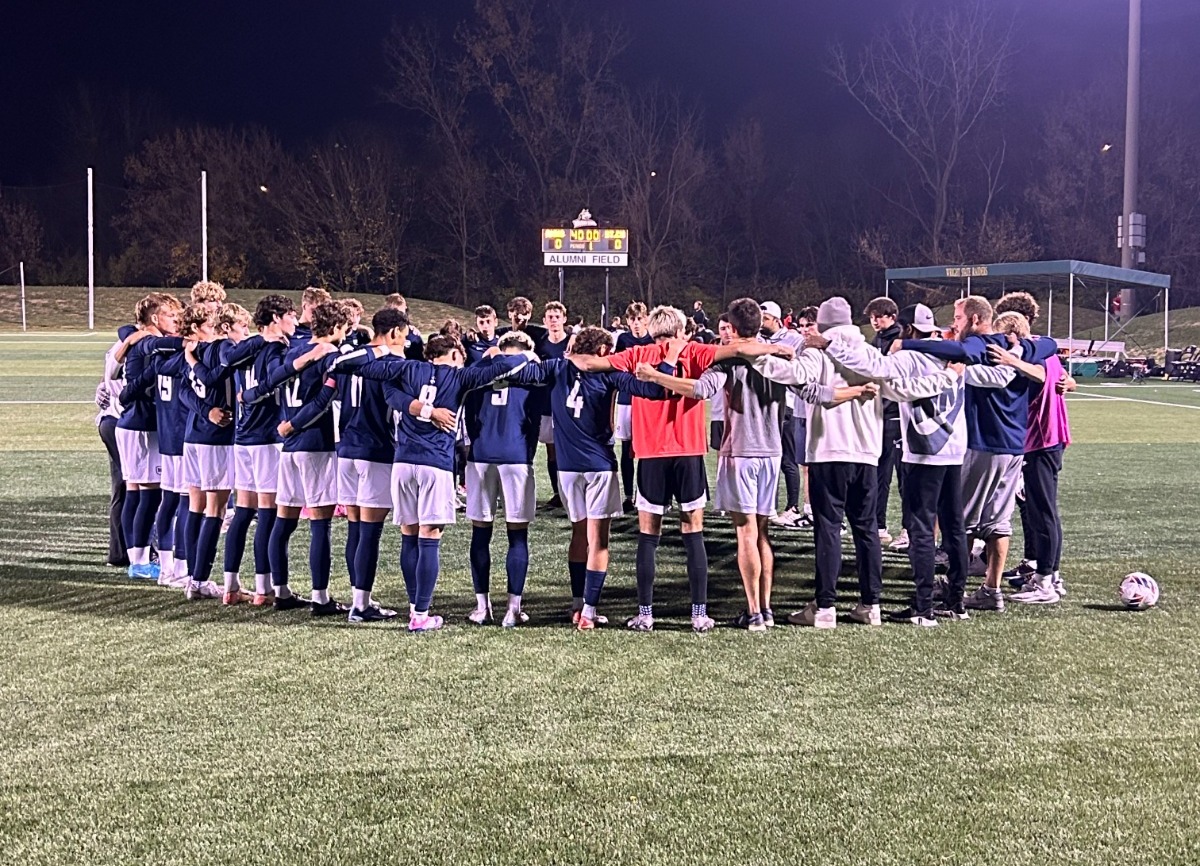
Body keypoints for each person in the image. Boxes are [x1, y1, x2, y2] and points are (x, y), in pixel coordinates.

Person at [571, 305, 777, 632]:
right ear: (681, 330)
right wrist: (775, 346)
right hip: (690, 451)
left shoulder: (638, 353)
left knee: (648, 535)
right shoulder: (694, 350)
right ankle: (699, 615)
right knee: (692, 532)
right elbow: (739, 347)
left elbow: (594, 363)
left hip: (651, 452)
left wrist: (568, 357)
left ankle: (646, 614)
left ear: (652, 329)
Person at [348, 334, 535, 631]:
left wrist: (414, 403)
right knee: (429, 537)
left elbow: (364, 372)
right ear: (455, 355)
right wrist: (516, 355)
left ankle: (414, 608)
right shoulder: (460, 376)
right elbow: (503, 368)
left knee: (409, 536)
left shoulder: (407, 368)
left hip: (403, 462)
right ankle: (421, 615)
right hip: (434, 464)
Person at [896, 296, 1059, 612]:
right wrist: (1021, 353)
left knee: (962, 523)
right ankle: (991, 589)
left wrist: (909, 347)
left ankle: (953, 591)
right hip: (1014, 446)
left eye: (957, 317)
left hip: (986, 444)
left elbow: (963, 360)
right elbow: (1048, 346)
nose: (953, 323)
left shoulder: (983, 356)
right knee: (999, 523)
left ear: (974, 320)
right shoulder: (1025, 353)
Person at [814, 303, 972, 625]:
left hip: (923, 451)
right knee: (954, 527)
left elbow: (876, 369)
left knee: (921, 529)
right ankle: (957, 602)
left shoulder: (907, 357)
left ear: (906, 328)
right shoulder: (954, 354)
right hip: (955, 449)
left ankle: (924, 608)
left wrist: (829, 344)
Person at [739, 297, 885, 629]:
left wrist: (755, 355)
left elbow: (794, 375)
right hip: (867, 454)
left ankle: (826, 608)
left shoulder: (818, 351)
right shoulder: (870, 354)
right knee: (866, 531)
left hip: (828, 451)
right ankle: (871, 604)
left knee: (828, 530)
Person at [512, 327, 669, 630]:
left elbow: (521, 374)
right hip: (598, 465)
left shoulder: (557, 367)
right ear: (600, 352)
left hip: (568, 468)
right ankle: (589, 610)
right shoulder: (608, 374)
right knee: (599, 540)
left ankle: (576, 603)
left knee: (579, 535)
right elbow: (654, 391)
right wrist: (663, 366)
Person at [242, 301, 355, 614]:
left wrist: (284, 423)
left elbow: (276, 380)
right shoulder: (331, 355)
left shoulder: (295, 349)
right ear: (335, 328)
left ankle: (281, 591)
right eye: (344, 329)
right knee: (320, 523)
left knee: (285, 520)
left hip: (289, 448)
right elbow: (323, 400)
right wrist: (294, 424)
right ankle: (320, 598)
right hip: (315, 444)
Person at [986, 308, 1073, 604]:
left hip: (1042, 440)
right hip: (1046, 440)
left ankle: (1045, 583)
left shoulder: (1032, 354)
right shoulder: (1043, 349)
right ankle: (1051, 576)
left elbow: (1040, 374)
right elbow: (1063, 378)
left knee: (1043, 511)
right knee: (1040, 510)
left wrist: (1012, 360)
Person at [461, 330, 542, 627]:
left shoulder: (481, 371)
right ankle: (512, 608)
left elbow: (469, 412)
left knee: (481, 533)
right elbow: (537, 418)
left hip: (481, 454)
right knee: (517, 535)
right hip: (516, 455)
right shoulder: (533, 372)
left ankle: (482, 607)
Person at [114, 293, 182, 580]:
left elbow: (126, 333)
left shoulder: (137, 338)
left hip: (135, 424)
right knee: (149, 495)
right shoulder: (147, 342)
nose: (176, 321)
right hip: (140, 426)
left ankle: (137, 558)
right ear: (155, 318)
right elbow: (163, 345)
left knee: (138, 493)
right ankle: (139, 559)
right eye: (171, 316)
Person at [759, 301, 806, 529]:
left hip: (786, 405)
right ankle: (768, 506)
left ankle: (792, 507)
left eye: (765, 318)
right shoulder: (758, 340)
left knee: (787, 459)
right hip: (764, 407)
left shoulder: (795, 339)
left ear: (777, 320)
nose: (761, 323)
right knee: (769, 459)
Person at [864, 296, 906, 550]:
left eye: (879, 316)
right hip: (880, 415)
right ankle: (878, 525)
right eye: (872, 317)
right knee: (879, 473)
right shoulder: (877, 339)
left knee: (903, 475)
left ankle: (908, 529)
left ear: (891, 316)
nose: (875, 321)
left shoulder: (900, 338)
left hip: (898, 416)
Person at [96, 325, 138, 568]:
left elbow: (109, 373)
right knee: (130, 485)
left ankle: (122, 551)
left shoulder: (129, 341)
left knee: (124, 486)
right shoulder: (136, 341)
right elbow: (113, 371)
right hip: (118, 421)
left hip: (112, 420)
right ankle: (126, 551)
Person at [614, 302, 653, 513]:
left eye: (639, 319)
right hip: (627, 399)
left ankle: (647, 494)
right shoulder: (623, 340)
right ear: (627, 321)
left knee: (647, 450)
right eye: (632, 319)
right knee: (627, 449)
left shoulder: (653, 339)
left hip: (647, 401)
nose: (636, 323)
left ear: (646, 319)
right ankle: (628, 496)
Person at [536, 301, 571, 509]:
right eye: (550, 317)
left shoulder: (572, 342)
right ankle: (557, 493)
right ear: (544, 321)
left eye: (557, 317)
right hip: (546, 402)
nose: (554, 321)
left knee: (566, 447)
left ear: (564, 319)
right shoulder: (540, 344)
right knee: (551, 449)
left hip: (567, 402)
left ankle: (569, 492)